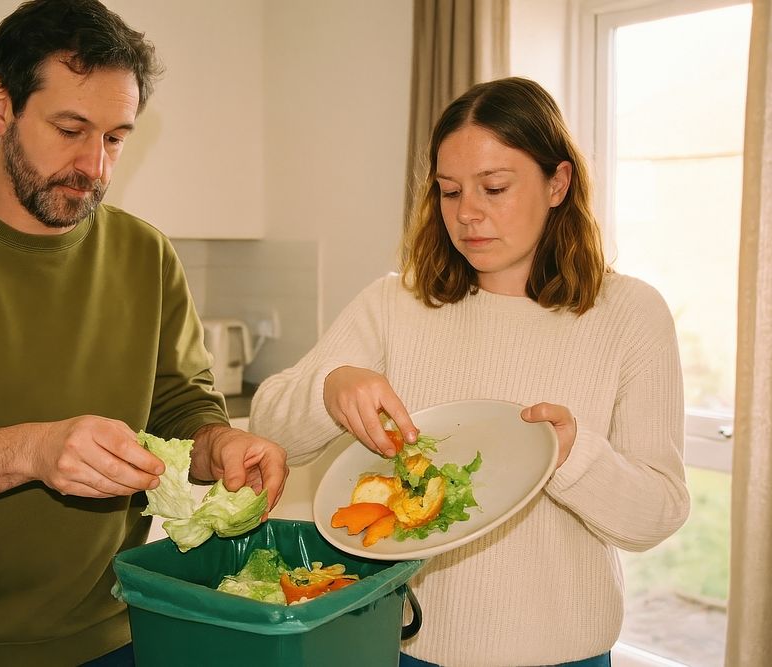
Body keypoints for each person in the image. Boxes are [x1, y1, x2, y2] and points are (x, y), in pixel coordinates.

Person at [0, 1, 287, 665]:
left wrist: (222, 446)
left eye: (116, 138)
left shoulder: (146, 255)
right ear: (0, 106)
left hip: (117, 635)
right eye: (70, 129)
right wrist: (33, 450)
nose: (94, 165)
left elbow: (181, 409)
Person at [249, 76, 689, 667]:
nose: (468, 214)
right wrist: (330, 387)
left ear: (558, 183)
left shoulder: (631, 314)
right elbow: (269, 427)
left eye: (494, 187)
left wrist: (572, 454)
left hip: (565, 656)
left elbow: (656, 515)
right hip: (408, 648)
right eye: (450, 191)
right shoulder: (395, 303)